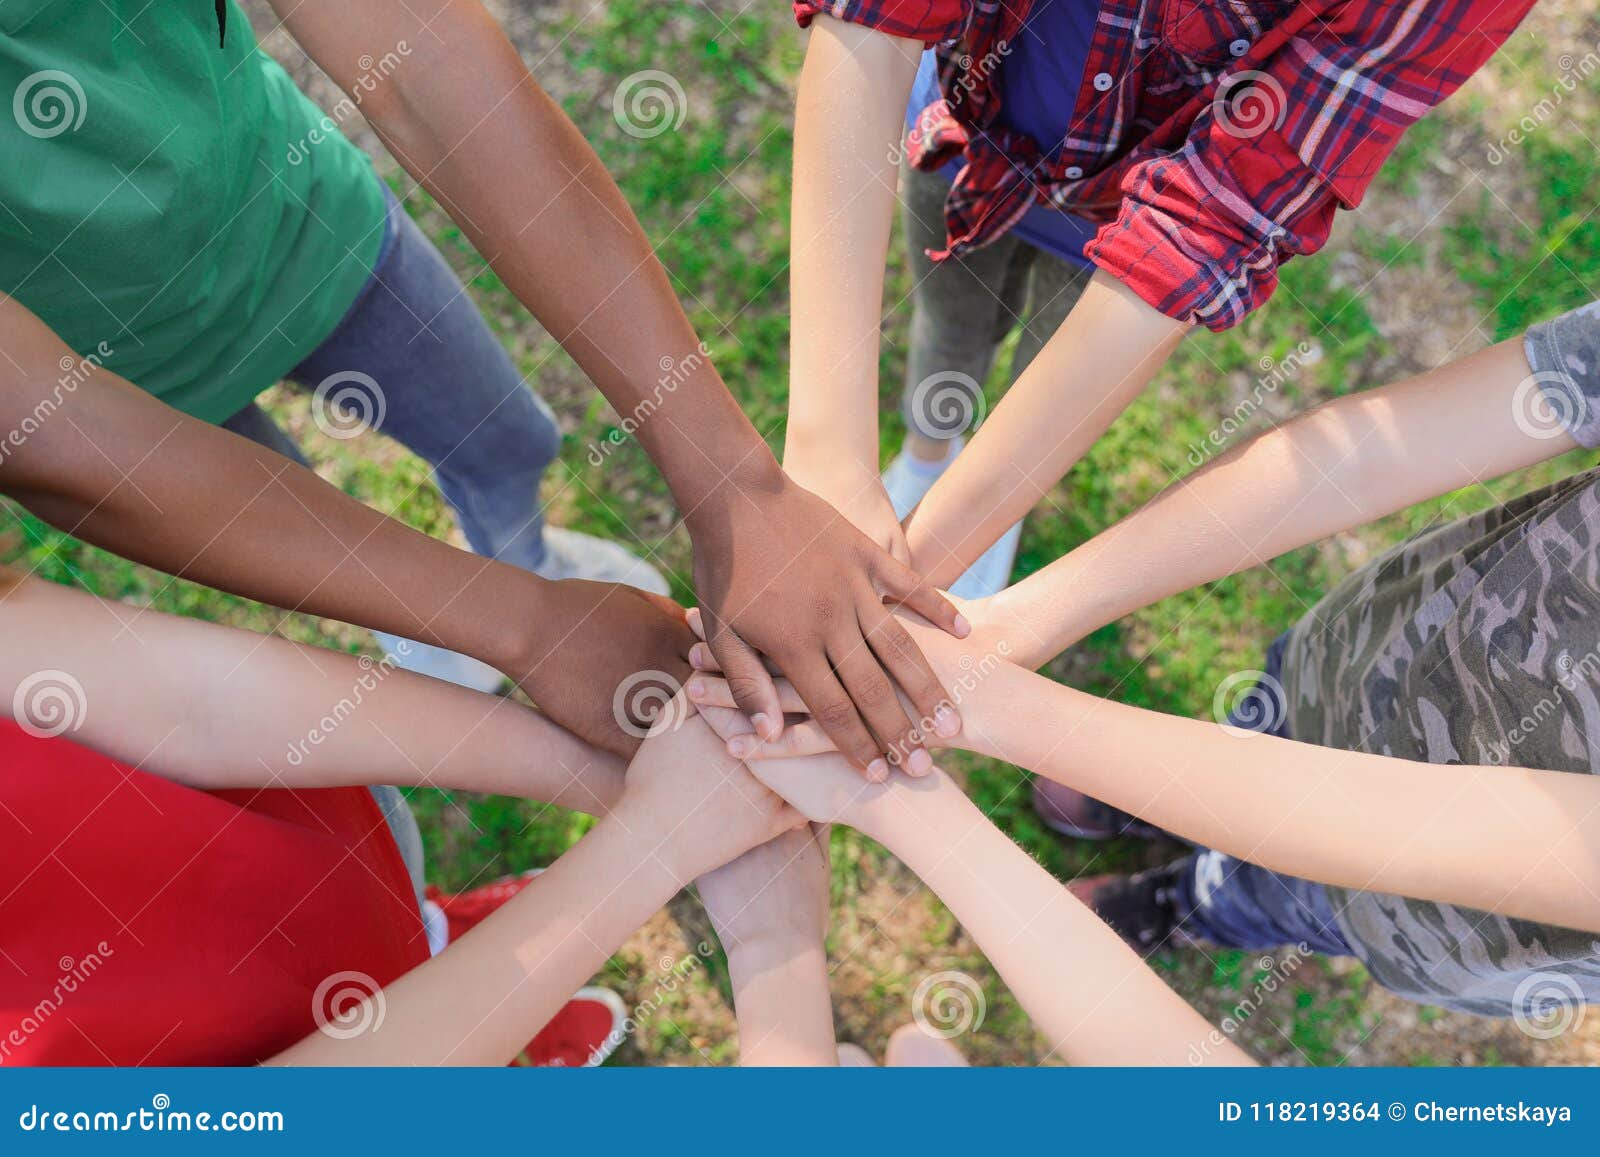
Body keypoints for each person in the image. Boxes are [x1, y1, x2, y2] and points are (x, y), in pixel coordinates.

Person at [0, 0, 967, 773]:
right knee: (296, 516)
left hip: (306, 222)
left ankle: (521, 550)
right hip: (126, 389)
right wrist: (521, 626)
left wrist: (734, 488)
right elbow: (52, 439)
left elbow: (417, 48)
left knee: (508, 438)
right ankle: (438, 627)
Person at [686, 299, 1600, 1019]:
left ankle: (1187, 901)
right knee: (1259, 713)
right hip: (1368, 648)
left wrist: (983, 700)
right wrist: (1020, 623)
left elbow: (1457, 836)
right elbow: (1371, 456)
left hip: (1426, 905)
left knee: (1280, 897)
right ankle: (1150, 794)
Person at [781, 0, 1534, 602]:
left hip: (1118, 230)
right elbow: (878, 15)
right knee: (947, 326)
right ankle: (924, 453)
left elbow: (1213, 219)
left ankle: (979, 500)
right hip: (965, 136)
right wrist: (827, 464)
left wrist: (925, 558)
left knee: (1044, 364)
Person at [0, 562, 810, 1065]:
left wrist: (613, 779)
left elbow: (191, 702)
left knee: (400, 906)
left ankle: (441, 943)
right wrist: (655, 840)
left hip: (309, 851)